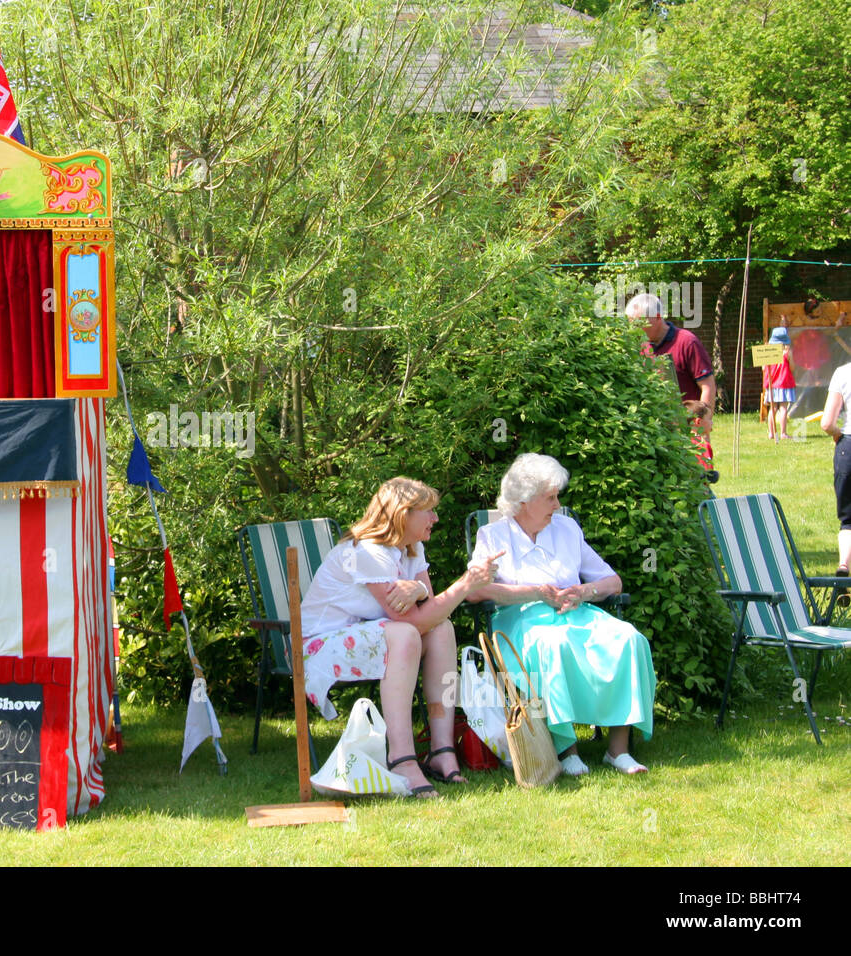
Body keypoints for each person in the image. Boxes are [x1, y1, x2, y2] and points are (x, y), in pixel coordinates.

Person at [300, 477, 501, 796]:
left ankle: (441, 750)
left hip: (374, 635)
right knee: (407, 633)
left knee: (442, 630)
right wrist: (465, 585)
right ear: (403, 514)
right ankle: (402, 757)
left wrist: (419, 587)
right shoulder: (367, 550)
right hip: (318, 646)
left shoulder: (411, 548)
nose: (435, 519)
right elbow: (415, 618)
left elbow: (433, 609)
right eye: (429, 512)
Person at [469, 454, 656, 775]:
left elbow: (613, 581)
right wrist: (536, 593)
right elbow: (474, 591)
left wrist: (583, 592)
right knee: (552, 644)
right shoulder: (494, 536)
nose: (557, 505)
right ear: (524, 501)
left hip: (576, 614)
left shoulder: (567, 528)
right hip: (520, 621)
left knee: (628, 638)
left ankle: (618, 750)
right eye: (550, 497)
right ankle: (567, 750)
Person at [627, 292, 717, 407]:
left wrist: (704, 420)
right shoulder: (639, 347)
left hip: (687, 421)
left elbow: (707, 386)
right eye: (632, 325)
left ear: (657, 317)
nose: (635, 329)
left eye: (639, 324)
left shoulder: (687, 342)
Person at [819, 361, 851, 580]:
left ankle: (844, 565)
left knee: (848, 520)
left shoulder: (843, 372)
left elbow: (827, 423)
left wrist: (838, 434)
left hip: (848, 447)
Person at [762, 327, 796, 441]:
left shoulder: (768, 352)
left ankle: (771, 433)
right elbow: (792, 368)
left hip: (772, 384)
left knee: (772, 409)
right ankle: (783, 433)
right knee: (783, 408)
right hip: (784, 383)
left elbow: (763, 368)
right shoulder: (787, 352)